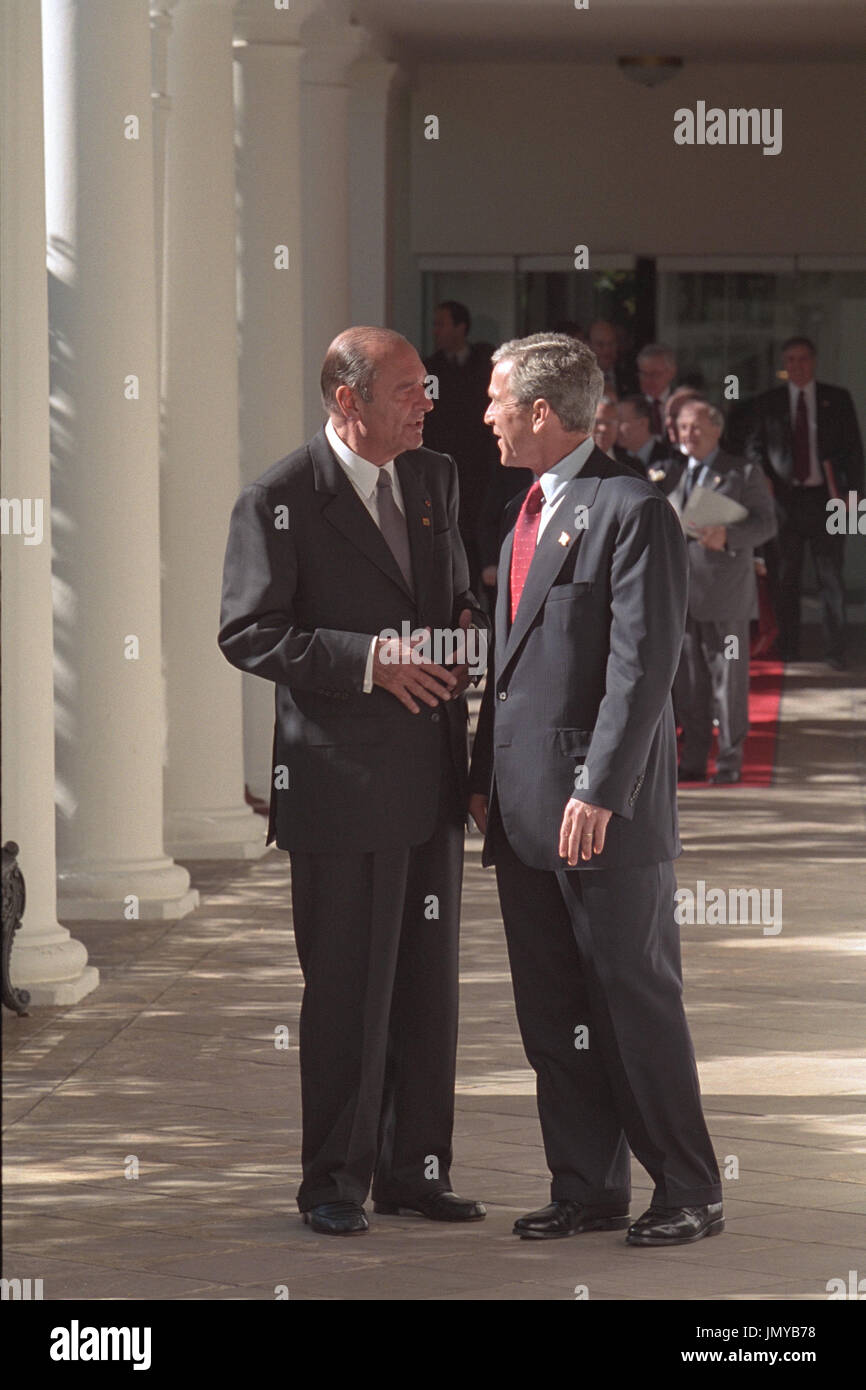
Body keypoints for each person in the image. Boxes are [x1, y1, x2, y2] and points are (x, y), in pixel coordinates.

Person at [218, 326, 488, 1236]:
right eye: (409, 389)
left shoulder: (435, 477)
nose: (427, 403)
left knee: (426, 990)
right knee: (345, 995)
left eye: (426, 389)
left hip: (431, 780)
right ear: (349, 401)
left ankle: (417, 1173)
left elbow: (453, 593)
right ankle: (333, 1182)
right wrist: (370, 658)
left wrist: (461, 627)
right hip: (340, 790)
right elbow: (250, 632)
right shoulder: (279, 498)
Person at [468, 332, 723, 1247]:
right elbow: (509, 673)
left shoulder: (632, 509)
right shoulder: (522, 509)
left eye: (497, 399)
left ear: (543, 410)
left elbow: (641, 671)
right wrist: (481, 781)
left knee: (632, 1006)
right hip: (522, 813)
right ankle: (587, 1186)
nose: (485, 414)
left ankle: (690, 1188)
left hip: (600, 815)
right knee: (553, 1017)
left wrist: (600, 791)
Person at [659, 401, 777, 785]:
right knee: (689, 685)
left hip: (726, 597)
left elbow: (767, 524)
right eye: (681, 427)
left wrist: (729, 536)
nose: (687, 434)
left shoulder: (743, 472)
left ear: (715, 429)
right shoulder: (670, 473)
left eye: (695, 427)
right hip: (681, 596)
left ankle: (729, 761)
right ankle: (692, 760)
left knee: (729, 685)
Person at [744, 336, 864, 668]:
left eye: (803, 359)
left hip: (827, 499)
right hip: (784, 501)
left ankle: (835, 651)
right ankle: (789, 648)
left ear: (814, 361)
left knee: (830, 577)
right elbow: (753, 448)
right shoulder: (768, 402)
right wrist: (760, 478)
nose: (797, 366)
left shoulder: (836, 399)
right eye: (790, 360)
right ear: (784, 365)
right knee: (786, 577)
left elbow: (854, 450)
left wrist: (855, 498)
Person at [423, 301, 500, 591]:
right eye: (435, 324)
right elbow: (428, 418)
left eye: (442, 324)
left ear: (461, 327)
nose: (436, 331)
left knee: (490, 561)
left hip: (485, 475)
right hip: (449, 479)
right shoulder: (431, 370)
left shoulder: (484, 365)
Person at [616, 394, 676, 476]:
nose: (616, 427)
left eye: (621, 421)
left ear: (643, 423)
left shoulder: (672, 460)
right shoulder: (615, 459)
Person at [637, 342, 678, 438]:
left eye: (655, 374)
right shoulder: (631, 406)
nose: (649, 380)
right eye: (644, 374)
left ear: (671, 372)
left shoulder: (680, 403)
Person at [588, 318, 637, 396]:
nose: (606, 350)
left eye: (611, 344)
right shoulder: (579, 379)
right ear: (589, 346)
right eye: (600, 344)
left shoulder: (631, 378)